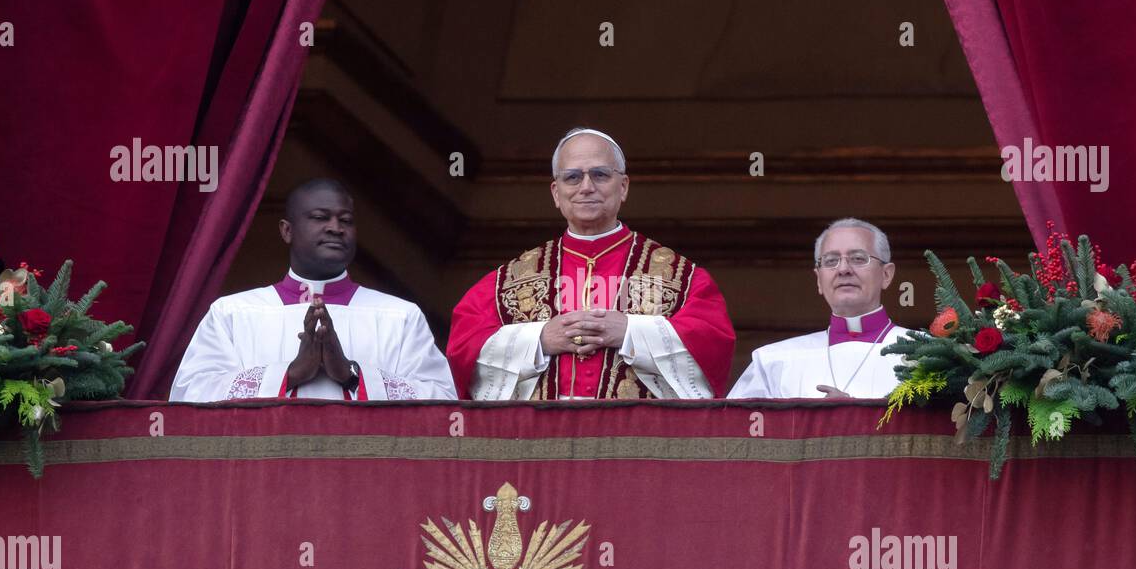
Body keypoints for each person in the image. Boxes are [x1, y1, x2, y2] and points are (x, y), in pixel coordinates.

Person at [447, 128, 735, 399]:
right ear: (556, 193)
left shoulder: (684, 278)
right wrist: (540, 339)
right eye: (572, 177)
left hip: (636, 443)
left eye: (600, 174)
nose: (586, 187)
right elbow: (463, 350)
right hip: (540, 442)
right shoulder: (506, 281)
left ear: (623, 187)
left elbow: (714, 345)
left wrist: (631, 333)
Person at [170, 178, 456, 401]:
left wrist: (351, 374)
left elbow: (442, 402)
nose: (336, 228)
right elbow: (191, 396)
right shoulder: (232, 313)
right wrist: (290, 373)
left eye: (346, 220)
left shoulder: (400, 316)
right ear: (287, 230)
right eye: (321, 217)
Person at [729, 218, 910, 399]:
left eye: (858, 259)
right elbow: (732, 425)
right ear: (819, 280)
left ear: (886, 275)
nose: (843, 269)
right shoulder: (773, 361)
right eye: (831, 261)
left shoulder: (926, 355)